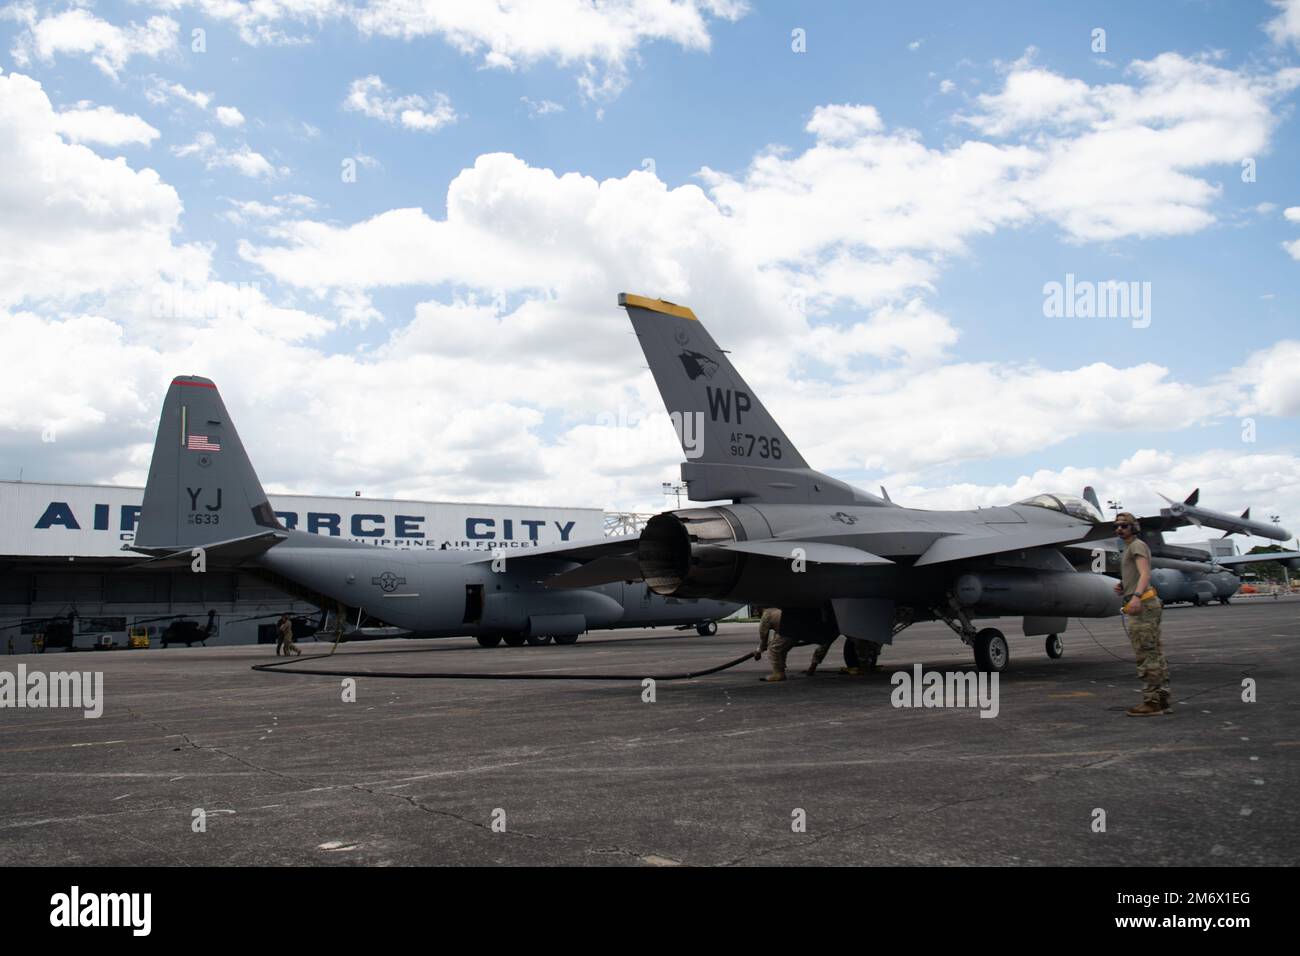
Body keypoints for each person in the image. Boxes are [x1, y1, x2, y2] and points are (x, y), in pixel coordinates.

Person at [1114, 512, 1170, 716]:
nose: (1120, 529)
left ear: (1134, 528)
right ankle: (1162, 700)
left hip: (1143, 605)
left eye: (1124, 526)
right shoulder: (1129, 547)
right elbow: (1137, 574)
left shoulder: (1136, 546)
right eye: (1117, 526)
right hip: (1145, 601)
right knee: (1154, 652)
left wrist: (1136, 596)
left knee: (1146, 654)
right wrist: (1124, 586)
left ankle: (1152, 702)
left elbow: (1145, 572)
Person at [756, 608, 835, 682]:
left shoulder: (766, 615)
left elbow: (763, 635)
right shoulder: (776, 610)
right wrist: (759, 650)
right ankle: (781, 670)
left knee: (773, 649)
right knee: (781, 649)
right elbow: (775, 636)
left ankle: (778, 674)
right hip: (797, 629)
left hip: (789, 631)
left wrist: (760, 650)